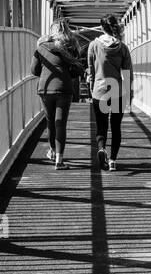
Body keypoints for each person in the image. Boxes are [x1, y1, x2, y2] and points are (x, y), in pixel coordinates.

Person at [30, 19, 83, 169]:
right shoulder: (70, 46)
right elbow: (77, 70)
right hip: (64, 88)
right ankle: (59, 160)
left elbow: (34, 71)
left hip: (45, 89)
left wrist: (46, 72)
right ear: (66, 30)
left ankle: (52, 151)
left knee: (51, 122)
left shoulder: (41, 47)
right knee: (61, 123)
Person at [87, 14, 134, 171]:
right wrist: (130, 93)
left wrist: (91, 90)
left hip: (99, 91)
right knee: (116, 127)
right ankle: (113, 160)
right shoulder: (122, 47)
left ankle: (101, 149)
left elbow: (91, 72)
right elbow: (127, 74)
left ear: (101, 28)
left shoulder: (93, 45)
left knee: (101, 127)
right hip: (117, 92)